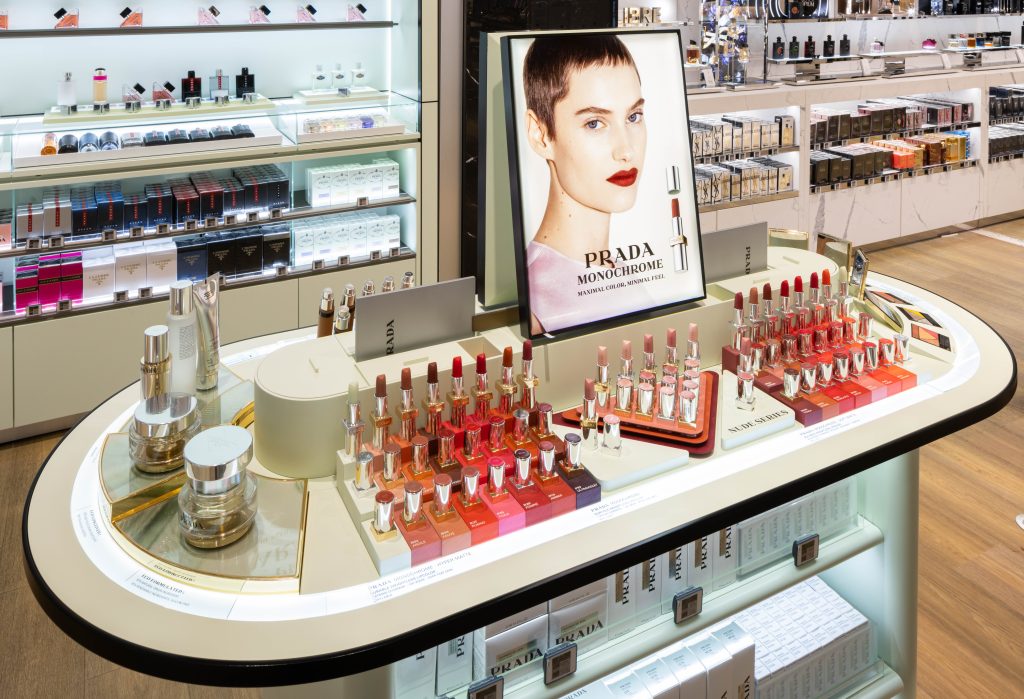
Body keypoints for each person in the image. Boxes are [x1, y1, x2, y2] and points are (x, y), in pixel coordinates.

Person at [522, 34, 655, 334]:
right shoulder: (534, 302)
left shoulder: (626, 273)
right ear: (540, 135)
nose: (626, 151)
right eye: (594, 123)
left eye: (634, 117)